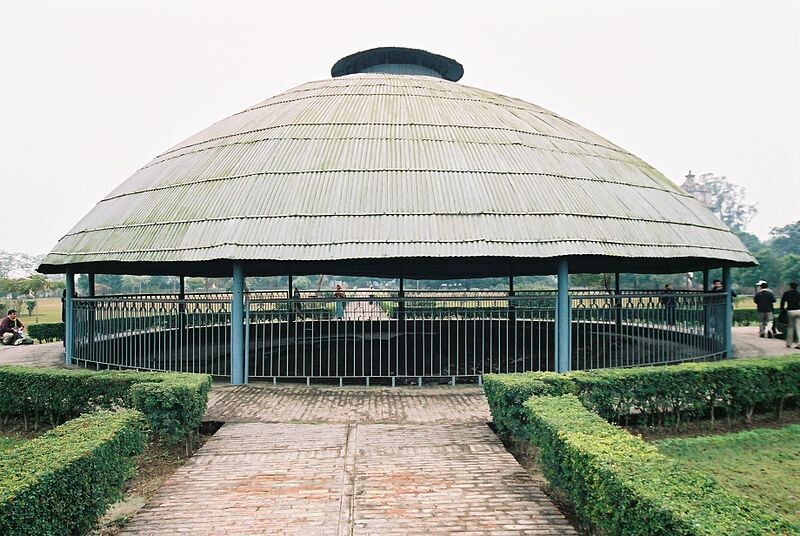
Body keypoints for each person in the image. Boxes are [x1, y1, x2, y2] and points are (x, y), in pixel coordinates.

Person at [780, 282, 800, 349]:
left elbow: (782, 301)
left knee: (790, 327)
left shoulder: (787, 293)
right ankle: (799, 343)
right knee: (798, 328)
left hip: (790, 311)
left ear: (790, 286)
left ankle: (789, 343)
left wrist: (782, 308)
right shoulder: (798, 293)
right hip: (798, 310)